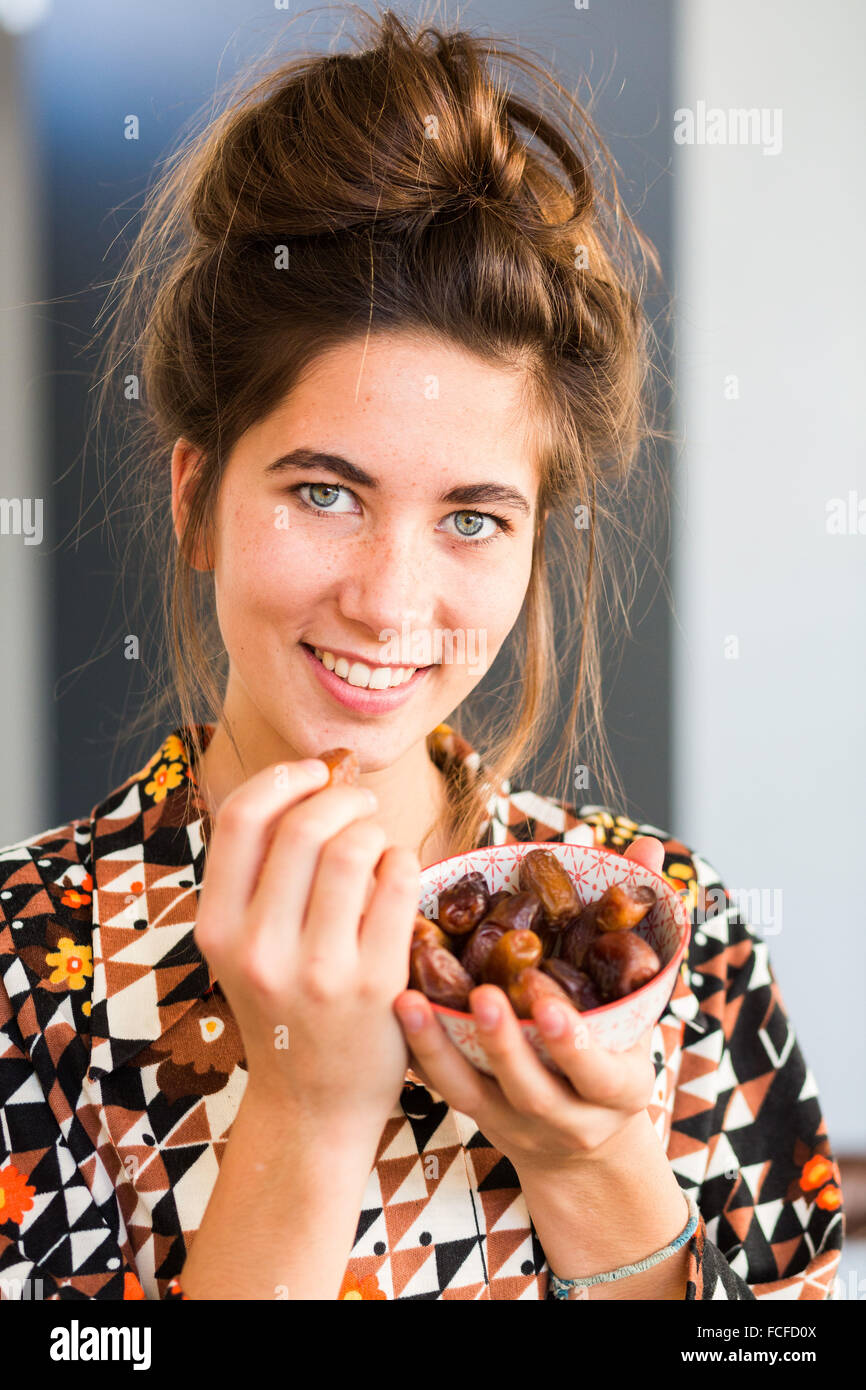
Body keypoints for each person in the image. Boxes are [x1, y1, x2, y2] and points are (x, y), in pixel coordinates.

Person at [0, 9, 843, 1302]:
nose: (393, 602)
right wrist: (302, 1112)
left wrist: (596, 1165)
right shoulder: (24, 963)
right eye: (324, 492)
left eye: (470, 516)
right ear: (193, 499)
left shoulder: (680, 935)